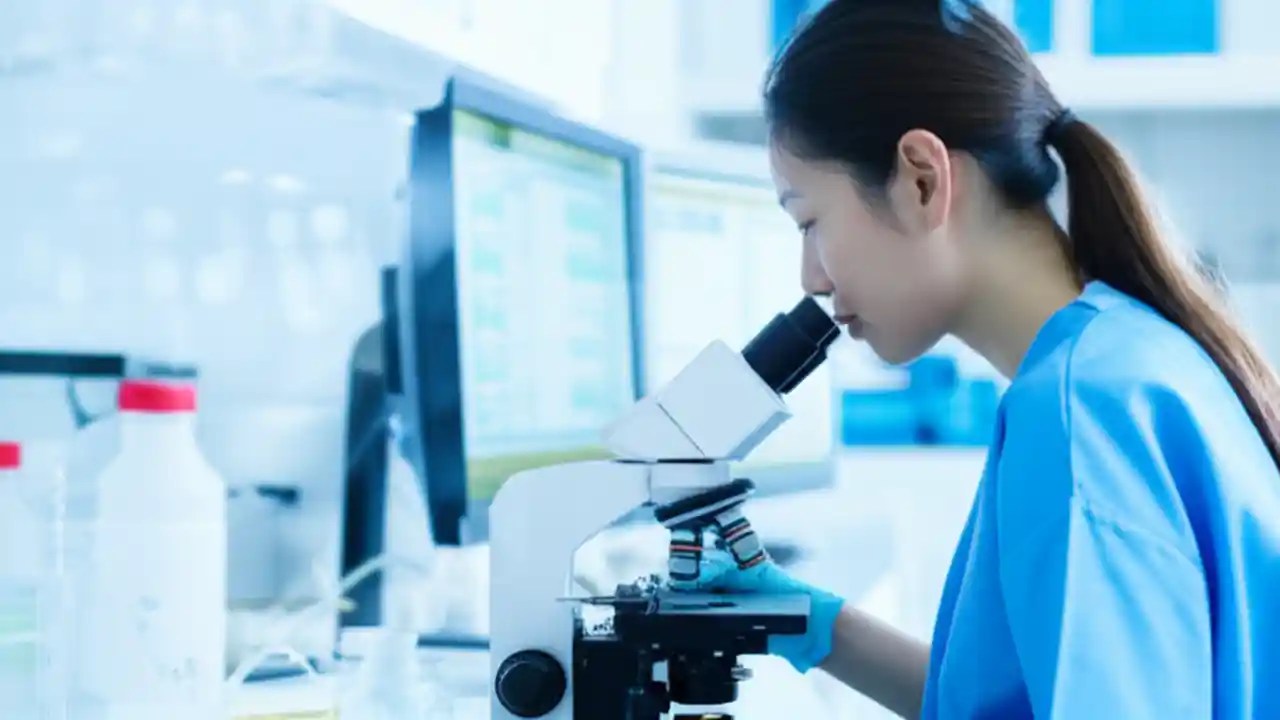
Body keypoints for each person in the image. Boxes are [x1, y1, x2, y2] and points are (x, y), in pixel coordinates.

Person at [677, 1, 1280, 718]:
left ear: (922, 178)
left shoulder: (1078, 411)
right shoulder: (1124, 359)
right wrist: (809, 623)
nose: (811, 276)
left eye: (809, 220)